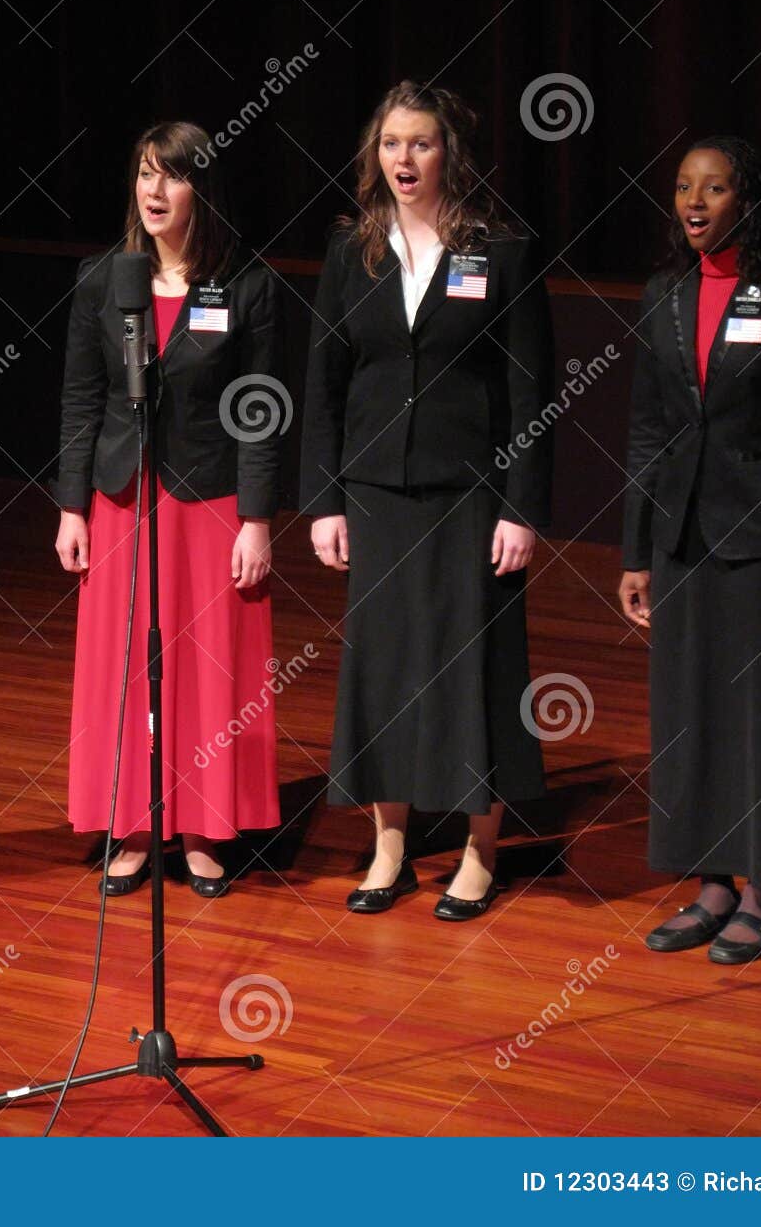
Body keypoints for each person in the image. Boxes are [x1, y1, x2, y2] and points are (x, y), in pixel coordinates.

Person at [301, 80, 554, 920]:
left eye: (420, 144)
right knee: (384, 668)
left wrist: (522, 507)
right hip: (375, 492)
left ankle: (481, 850)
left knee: (472, 666)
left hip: (470, 495)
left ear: (450, 153)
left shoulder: (502, 250)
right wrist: (325, 499)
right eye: (390, 144)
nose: (403, 160)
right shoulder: (353, 252)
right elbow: (325, 384)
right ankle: (389, 848)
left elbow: (531, 390)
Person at [620, 135, 761, 964]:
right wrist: (636, 550)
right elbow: (647, 431)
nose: (695, 202)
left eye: (714, 188)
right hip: (681, 538)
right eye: (683, 187)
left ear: (748, 200)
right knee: (690, 715)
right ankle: (711, 884)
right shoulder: (664, 295)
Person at [56, 120, 283, 899]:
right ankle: (130, 822)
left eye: (172, 177)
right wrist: (70, 506)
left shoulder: (245, 284)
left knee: (205, 660)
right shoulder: (104, 280)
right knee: (124, 663)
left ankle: (203, 827)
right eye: (145, 175)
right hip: (122, 497)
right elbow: (82, 398)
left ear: (201, 190)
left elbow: (261, 406)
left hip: (210, 498)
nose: (154, 191)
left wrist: (257, 516)